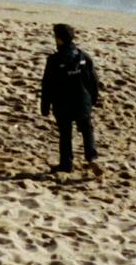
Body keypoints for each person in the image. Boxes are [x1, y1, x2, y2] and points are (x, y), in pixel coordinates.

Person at [41, 24, 100, 174]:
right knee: (87, 129)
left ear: (59, 40)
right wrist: (93, 99)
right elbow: (93, 81)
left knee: (65, 134)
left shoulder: (54, 60)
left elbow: (48, 84)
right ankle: (91, 157)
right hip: (82, 101)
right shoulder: (84, 57)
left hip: (63, 103)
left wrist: (45, 106)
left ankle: (66, 165)